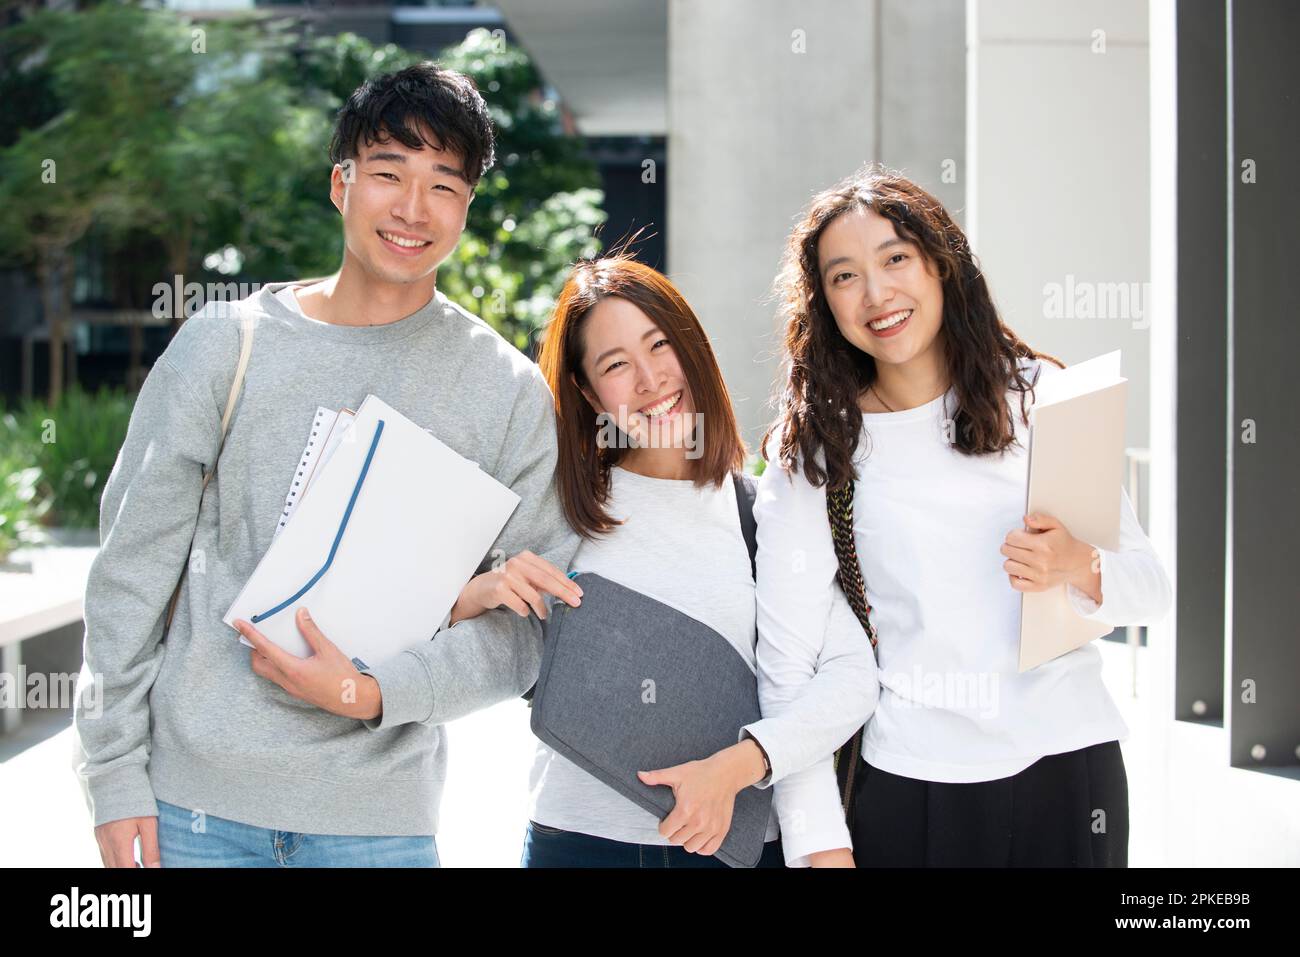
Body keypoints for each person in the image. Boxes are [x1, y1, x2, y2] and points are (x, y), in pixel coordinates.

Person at [72, 62, 581, 868]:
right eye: (389, 174)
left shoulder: (505, 391)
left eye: (444, 185)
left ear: (467, 207)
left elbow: (531, 621)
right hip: (194, 812)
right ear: (341, 184)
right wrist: (111, 772)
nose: (413, 209)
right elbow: (130, 574)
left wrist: (374, 692)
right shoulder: (223, 346)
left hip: (380, 823)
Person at [759, 164, 1172, 867]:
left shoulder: (1045, 397)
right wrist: (818, 842)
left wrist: (1078, 561)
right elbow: (788, 664)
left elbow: (1153, 591)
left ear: (943, 265)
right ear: (824, 303)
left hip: (1067, 768)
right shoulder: (815, 449)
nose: (877, 292)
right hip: (910, 787)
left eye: (896, 258)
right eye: (844, 276)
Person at [448, 251, 875, 867]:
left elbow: (850, 680)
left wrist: (737, 767)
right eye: (617, 365)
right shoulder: (557, 511)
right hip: (579, 845)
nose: (650, 381)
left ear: (693, 347)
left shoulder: (762, 513)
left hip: (728, 847)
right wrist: (479, 592)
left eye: (659, 346)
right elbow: (451, 642)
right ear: (590, 394)